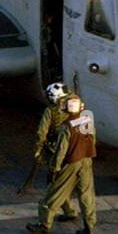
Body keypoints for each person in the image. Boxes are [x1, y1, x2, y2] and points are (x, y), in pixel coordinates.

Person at [27, 94, 98, 234]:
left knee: (53, 196)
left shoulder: (66, 127)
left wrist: (54, 169)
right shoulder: (87, 120)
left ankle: (44, 225)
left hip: (71, 163)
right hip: (87, 161)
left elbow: (61, 151)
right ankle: (89, 227)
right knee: (86, 195)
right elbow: (93, 139)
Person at [34, 82, 78, 221]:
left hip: (56, 150)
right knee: (64, 182)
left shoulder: (51, 111)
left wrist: (38, 149)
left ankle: (47, 216)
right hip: (74, 150)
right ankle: (68, 210)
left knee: (54, 181)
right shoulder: (76, 107)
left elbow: (42, 132)